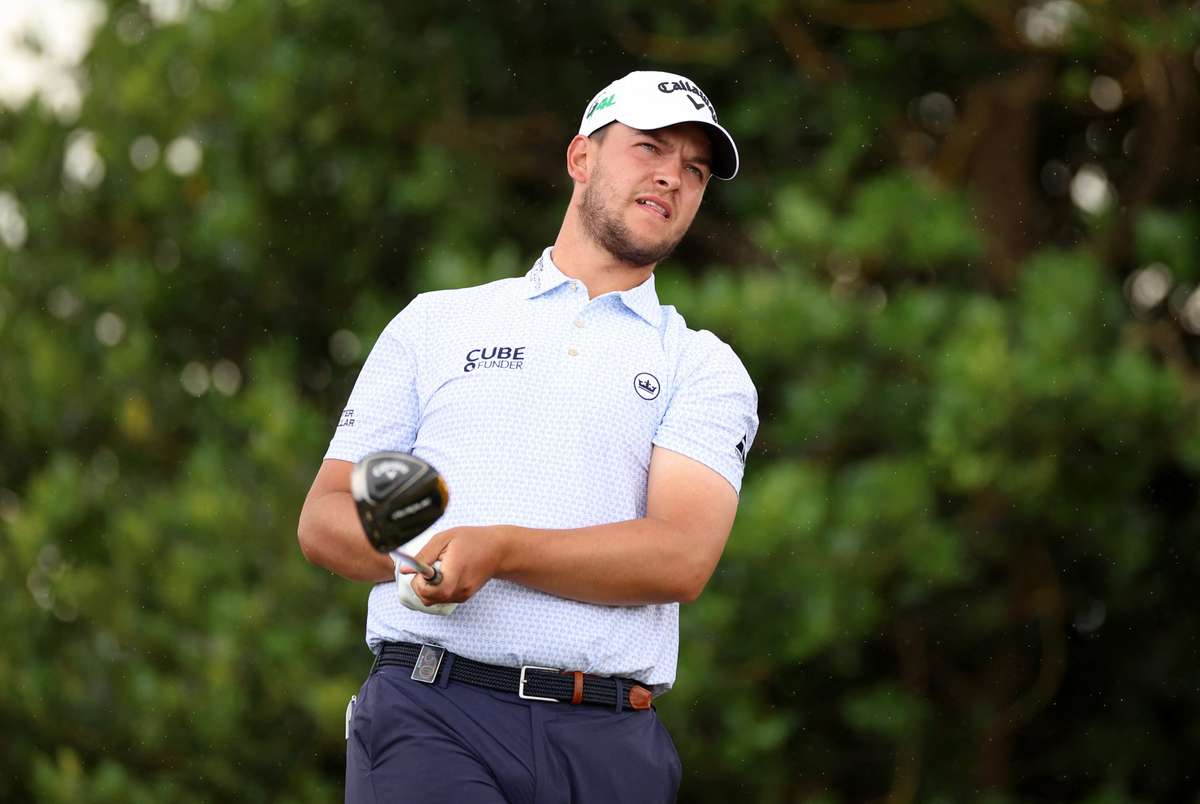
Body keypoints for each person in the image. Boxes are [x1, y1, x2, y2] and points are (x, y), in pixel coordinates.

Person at [297, 69, 759, 804]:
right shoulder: (438, 323)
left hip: (611, 743)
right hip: (432, 711)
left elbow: (680, 555)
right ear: (581, 159)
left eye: (695, 170)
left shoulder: (701, 365)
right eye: (650, 149)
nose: (673, 176)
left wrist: (501, 549)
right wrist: (425, 555)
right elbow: (324, 519)